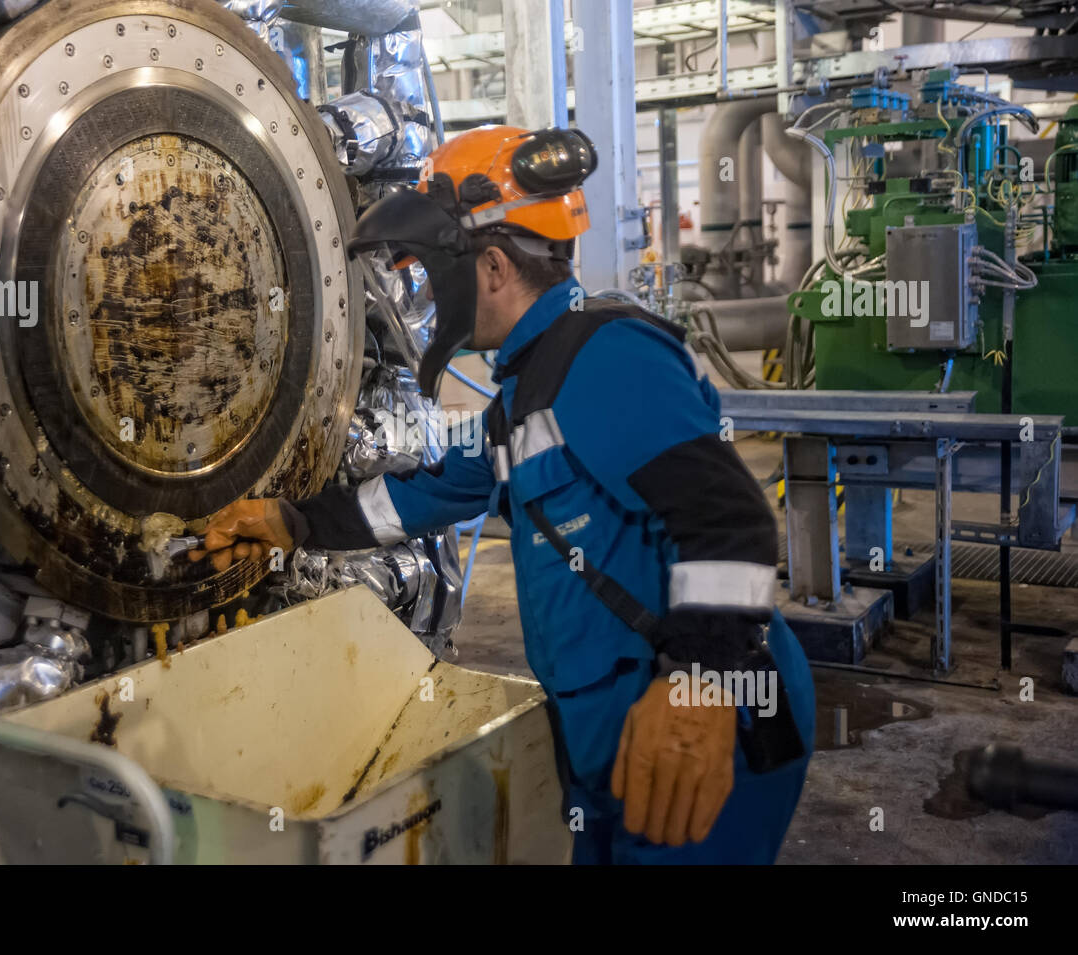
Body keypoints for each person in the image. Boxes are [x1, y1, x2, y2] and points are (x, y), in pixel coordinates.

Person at [191, 125, 815, 864]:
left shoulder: (606, 358)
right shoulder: (524, 393)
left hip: (694, 726)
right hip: (610, 737)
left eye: (431, 274)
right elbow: (419, 496)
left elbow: (731, 523)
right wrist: (289, 521)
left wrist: (698, 686)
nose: (425, 297)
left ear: (490, 266)